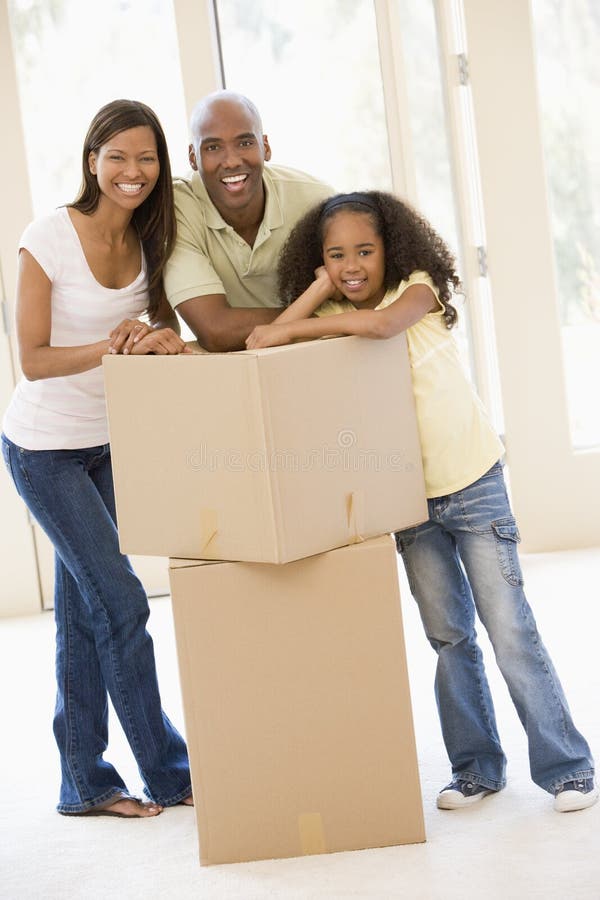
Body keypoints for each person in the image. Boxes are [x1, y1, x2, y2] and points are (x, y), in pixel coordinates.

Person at [245, 190, 598, 813]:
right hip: (407, 499)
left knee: (509, 628)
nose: (352, 265)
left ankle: (567, 767)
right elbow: (263, 343)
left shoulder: (417, 287)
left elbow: (377, 325)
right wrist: (314, 291)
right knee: (448, 637)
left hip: (471, 481)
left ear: (391, 250)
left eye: (364, 251)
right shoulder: (331, 306)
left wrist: (303, 322)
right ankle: (476, 769)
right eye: (335, 256)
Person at [1, 99, 193, 819]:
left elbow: (162, 326)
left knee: (83, 614)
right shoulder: (47, 236)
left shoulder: (152, 241)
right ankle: (169, 774)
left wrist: (159, 340)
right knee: (121, 602)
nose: (132, 172)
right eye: (118, 157)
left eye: (146, 159)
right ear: (92, 161)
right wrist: (114, 344)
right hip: (42, 451)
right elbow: (34, 360)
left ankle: (83, 781)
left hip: (107, 445)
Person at [163, 90, 334, 351]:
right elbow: (215, 330)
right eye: (213, 147)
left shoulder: (316, 200)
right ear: (192, 157)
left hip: (318, 355)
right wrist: (331, 319)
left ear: (265, 146)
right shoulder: (176, 209)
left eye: (244, 143)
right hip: (236, 369)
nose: (231, 161)